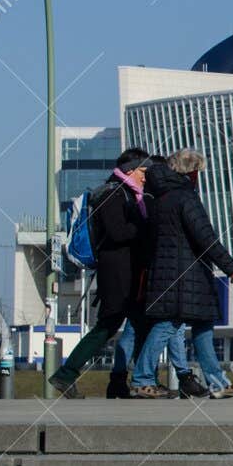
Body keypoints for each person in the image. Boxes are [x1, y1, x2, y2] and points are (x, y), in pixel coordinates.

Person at [128, 150, 233, 399]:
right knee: (168, 325)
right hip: (186, 275)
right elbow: (205, 236)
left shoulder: (159, 197)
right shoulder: (185, 197)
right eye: (197, 172)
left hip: (169, 273)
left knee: (202, 326)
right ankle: (141, 379)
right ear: (190, 172)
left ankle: (217, 382)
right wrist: (231, 266)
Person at [51, 148, 154, 400]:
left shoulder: (125, 193)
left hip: (123, 271)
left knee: (134, 324)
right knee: (109, 325)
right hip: (117, 273)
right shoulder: (112, 194)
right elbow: (117, 233)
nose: (146, 176)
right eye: (143, 171)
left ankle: (127, 382)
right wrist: (145, 226)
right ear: (130, 170)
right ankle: (67, 373)